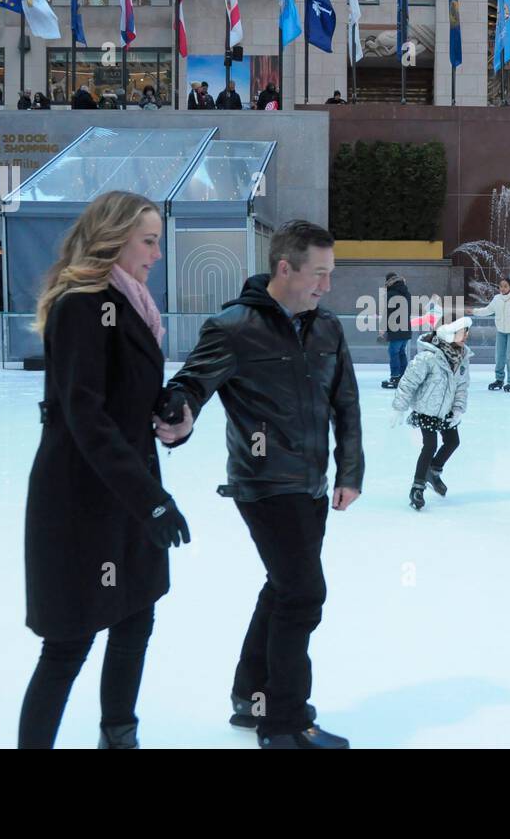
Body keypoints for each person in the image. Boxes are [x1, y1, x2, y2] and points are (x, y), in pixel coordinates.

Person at [157, 220, 363, 749]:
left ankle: (252, 698)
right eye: (318, 274)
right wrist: (178, 412)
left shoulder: (327, 329)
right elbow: (191, 383)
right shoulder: (235, 327)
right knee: (303, 594)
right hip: (264, 484)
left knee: (282, 587)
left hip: (313, 484)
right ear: (284, 268)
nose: (325, 285)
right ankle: (285, 723)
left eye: (330, 274)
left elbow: (346, 403)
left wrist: (349, 471)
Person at [19, 191, 192, 750]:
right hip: (79, 498)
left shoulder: (130, 303)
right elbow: (86, 416)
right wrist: (152, 502)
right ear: (114, 238)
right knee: (68, 643)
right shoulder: (82, 304)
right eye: (149, 241)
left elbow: (122, 396)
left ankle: (119, 736)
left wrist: (171, 413)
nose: (156, 254)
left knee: (134, 618)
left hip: (124, 488)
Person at [391, 316, 473, 511]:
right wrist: (398, 407)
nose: (467, 336)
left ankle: (433, 471)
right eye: (464, 331)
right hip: (426, 409)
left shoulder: (462, 358)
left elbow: (462, 387)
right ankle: (417, 487)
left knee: (453, 442)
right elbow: (408, 382)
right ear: (450, 333)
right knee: (430, 445)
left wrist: (458, 410)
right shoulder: (428, 357)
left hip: (446, 410)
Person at [381, 271, 413, 389]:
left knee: (394, 352)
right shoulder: (406, 292)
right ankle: (403, 376)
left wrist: (383, 328)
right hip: (406, 328)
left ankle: (395, 376)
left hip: (396, 329)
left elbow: (387, 313)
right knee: (401, 352)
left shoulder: (391, 294)